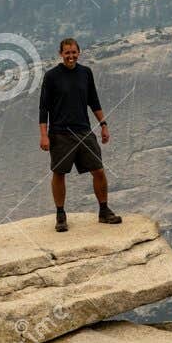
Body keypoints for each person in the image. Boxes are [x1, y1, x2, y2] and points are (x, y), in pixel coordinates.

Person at [38, 38, 122, 232]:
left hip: (84, 131)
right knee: (59, 173)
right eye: (67, 53)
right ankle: (60, 214)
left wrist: (103, 124)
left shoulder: (85, 73)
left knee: (98, 170)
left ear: (79, 52)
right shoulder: (51, 77)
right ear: (61, 54)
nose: (71, 56)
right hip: (60, 133)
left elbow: (93, 99)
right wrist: (44, 135)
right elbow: (43, 108)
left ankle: (103, 210)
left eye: (74, 52)